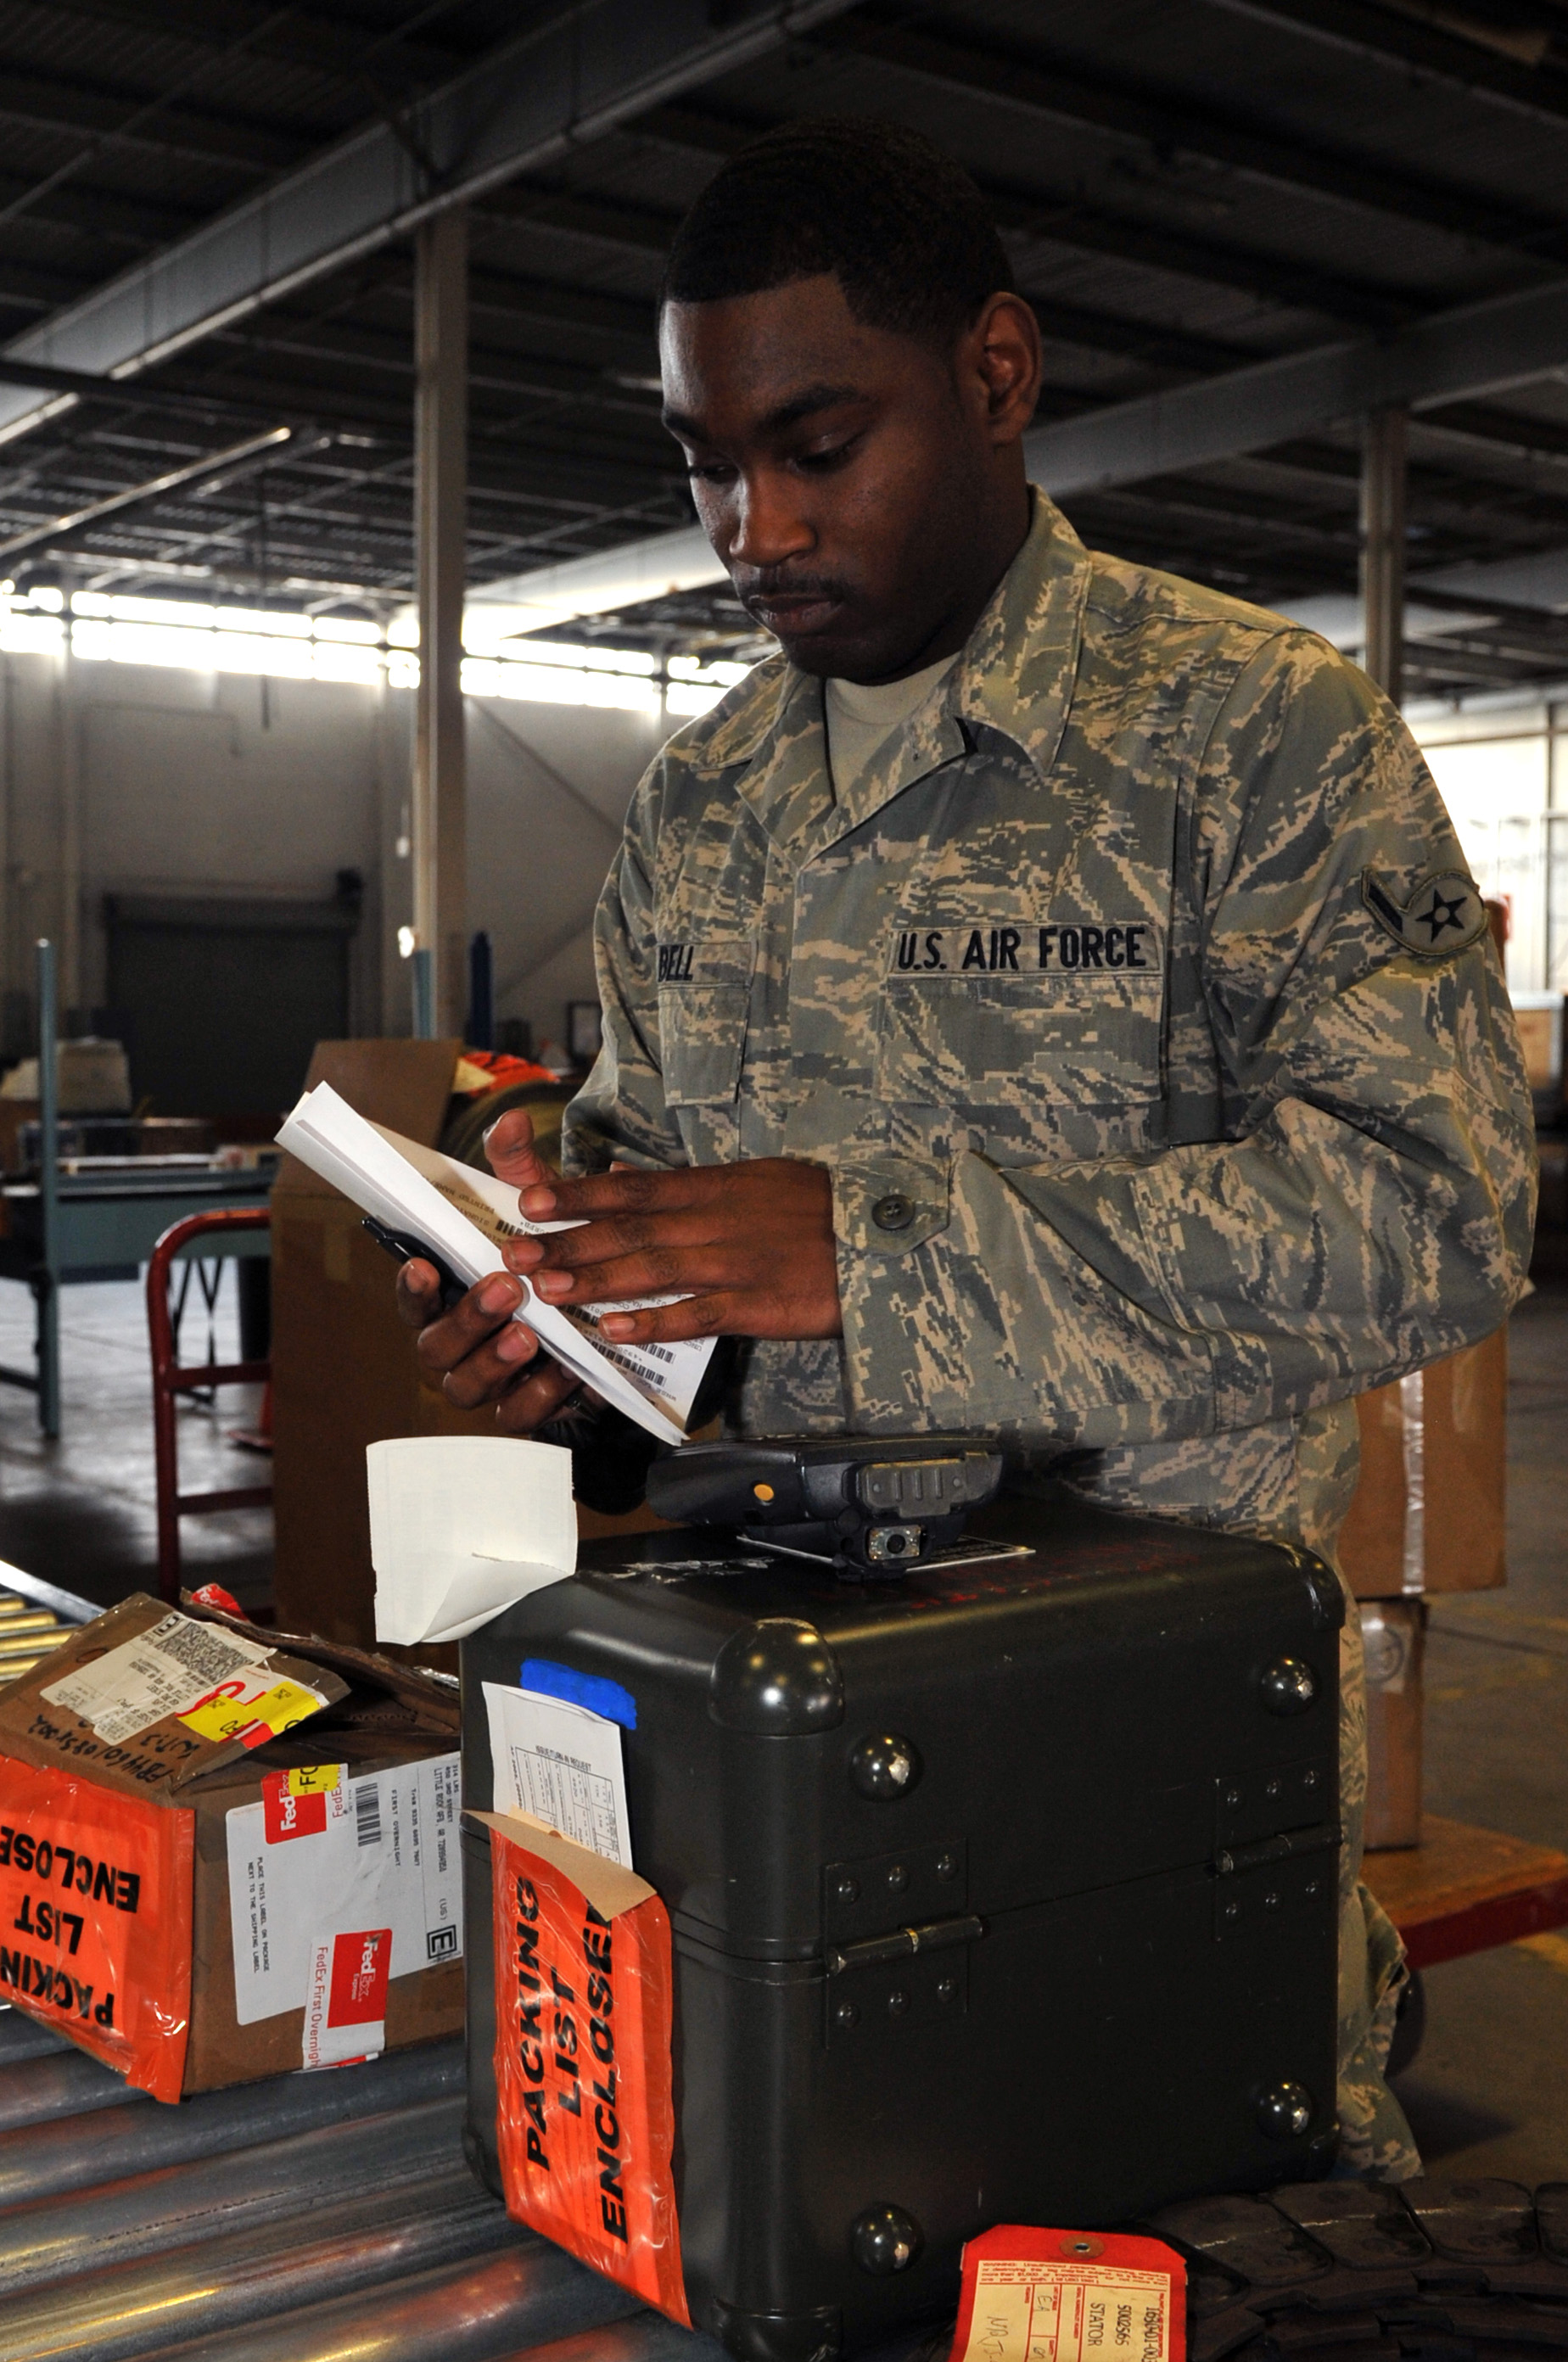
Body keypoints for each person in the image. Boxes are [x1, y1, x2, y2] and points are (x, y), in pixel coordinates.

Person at [400, 118, 1536, 2175]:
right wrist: (564, 1332)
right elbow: (657, 1217)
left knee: (1183, 2244)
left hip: (1140, 1777)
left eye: (816, 446)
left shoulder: (1252, 737)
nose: (750, 527)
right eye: (701, 463)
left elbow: (1434, 1212)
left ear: (996, 376)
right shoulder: (703, 806)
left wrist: (874, 1258)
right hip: (771, 1770)